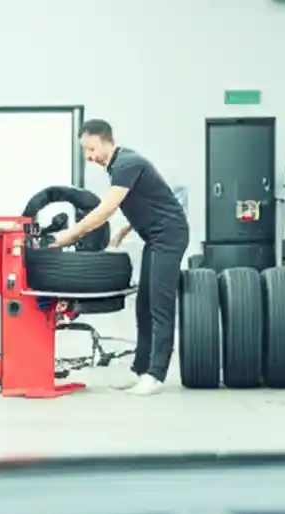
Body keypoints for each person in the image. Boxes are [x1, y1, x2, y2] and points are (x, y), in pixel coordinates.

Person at [51, 119, 190, 397]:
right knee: (143, 304)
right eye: (85, 151)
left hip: (169, 236)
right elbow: (147, 200)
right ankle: (142, 371)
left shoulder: (126, 163)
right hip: (155, 237)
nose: (88, 157)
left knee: (160, 306)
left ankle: (156, 375)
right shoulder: (118, 165)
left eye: (90, 149)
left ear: (105, 141)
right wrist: (124, 232)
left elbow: (107, 209)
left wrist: (70, 236)